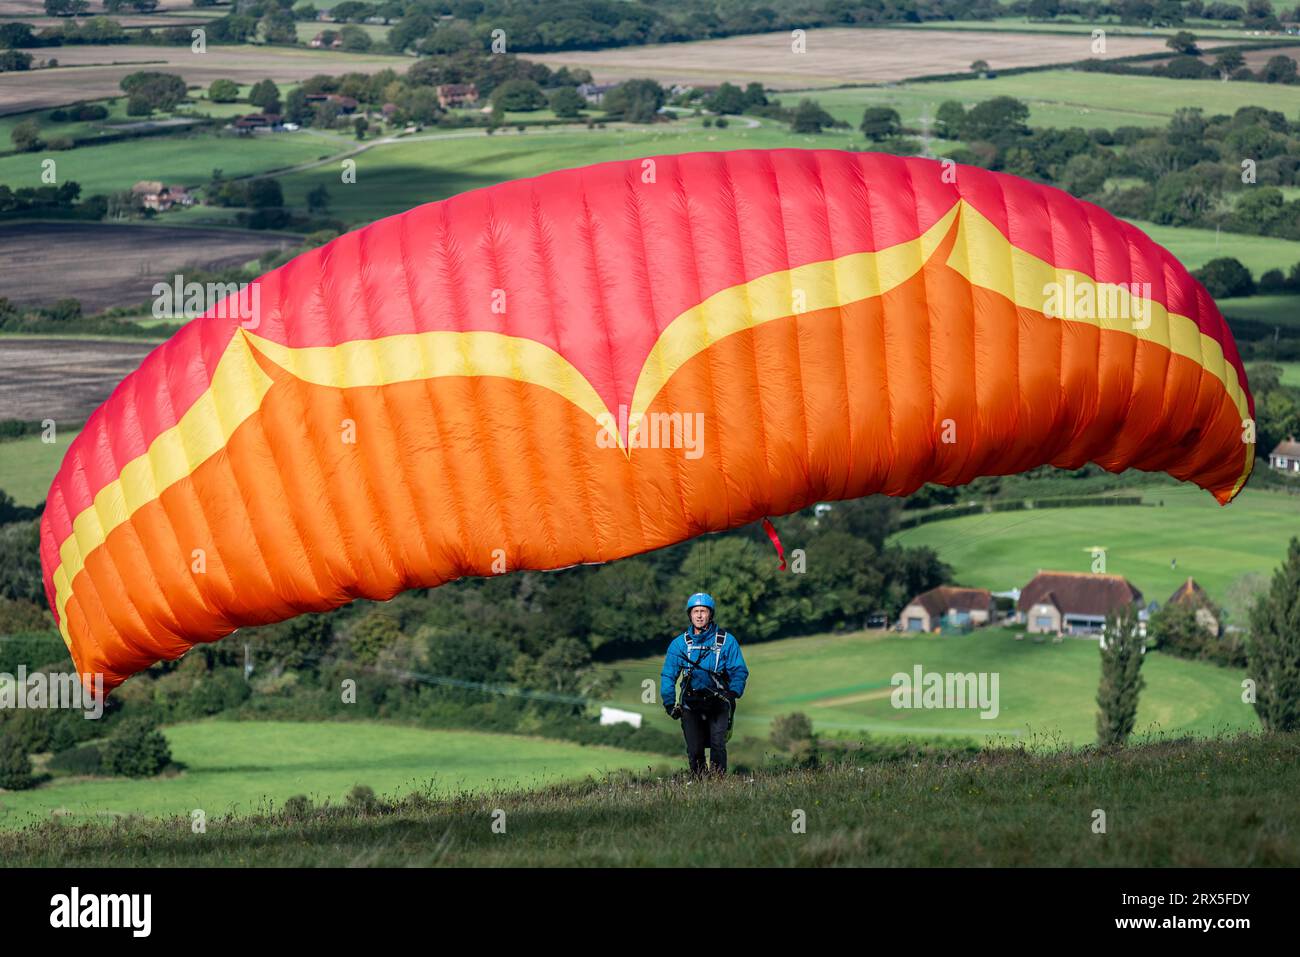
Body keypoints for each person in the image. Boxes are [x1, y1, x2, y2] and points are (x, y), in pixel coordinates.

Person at [660, 592, 749, 777]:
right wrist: (669, 702)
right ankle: (700, 785)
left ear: (711, 614)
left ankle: (718, 784)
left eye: (703, 611)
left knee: (718, 745)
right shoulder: (679, 644)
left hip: (718, 701)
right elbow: (668, 675)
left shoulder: (726, 641)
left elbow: (739, 670)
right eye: (695, 611)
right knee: (695, 750)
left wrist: (734, 692)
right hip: (690, 703)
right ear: (690, 615)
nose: (699, 615)